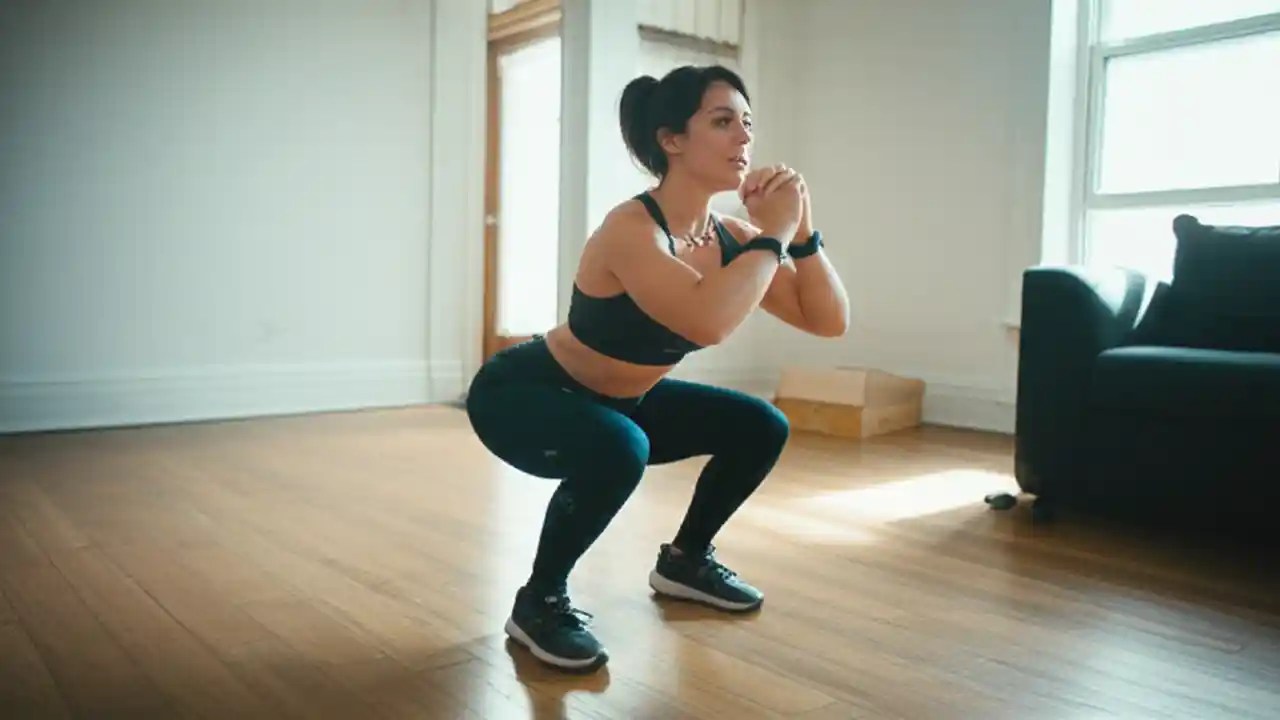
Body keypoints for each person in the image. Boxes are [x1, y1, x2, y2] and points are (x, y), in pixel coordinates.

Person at [464, 64, 850, 673]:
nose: (744, 139)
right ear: (672, 140)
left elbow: (826, 319)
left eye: (747, 124)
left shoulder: (731, 237)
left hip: (624, 402)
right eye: (723, 122)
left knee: (760, 425)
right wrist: (772, 235)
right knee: (622, 445)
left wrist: (801, 234)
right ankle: (538, 602)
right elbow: (709, 322)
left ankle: (686, 562)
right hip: (526, 394)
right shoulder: (631, 230)